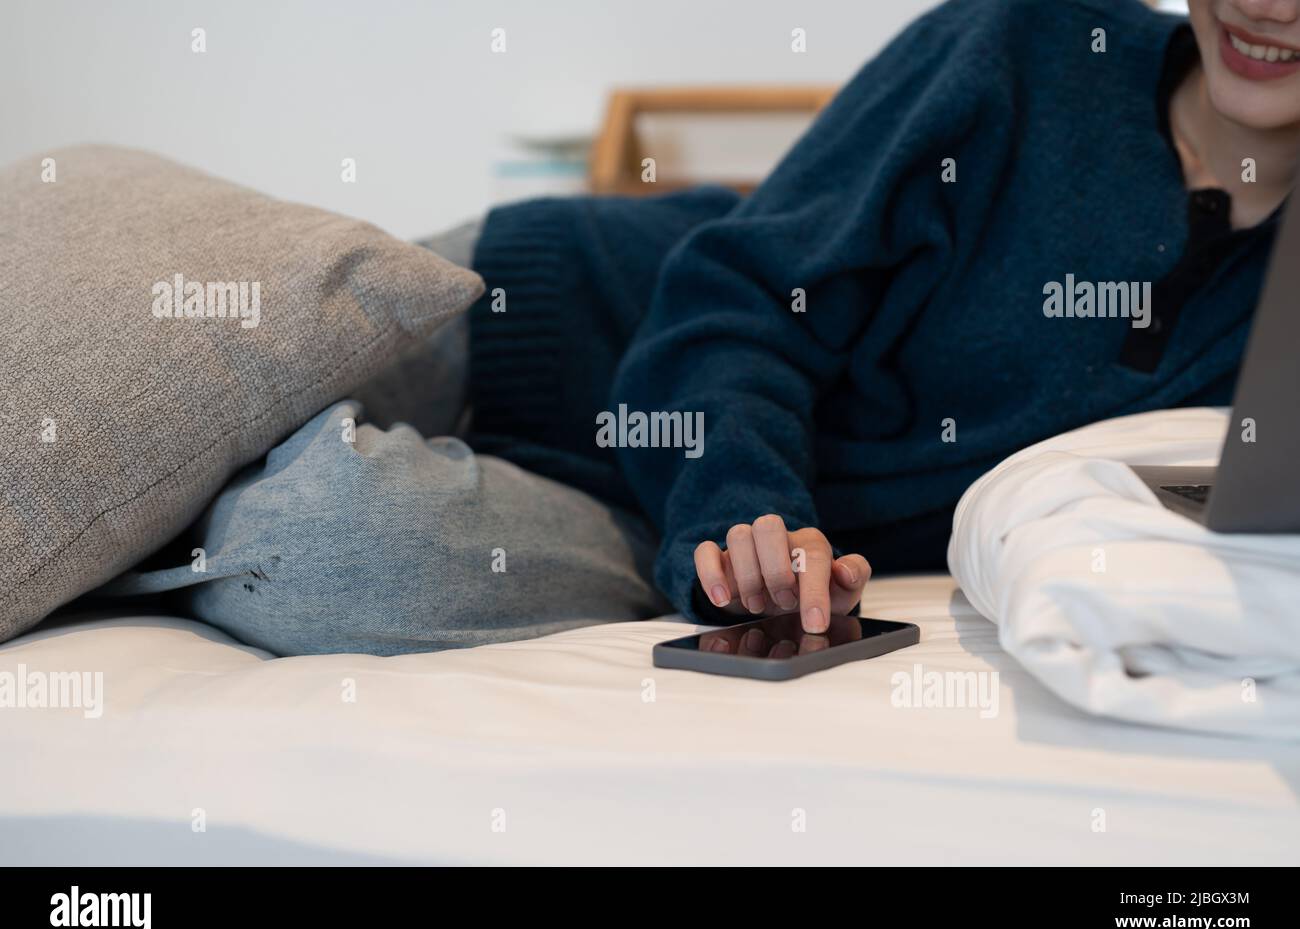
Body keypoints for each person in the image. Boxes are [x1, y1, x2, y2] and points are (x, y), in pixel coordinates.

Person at [106, 0, 1300, 655]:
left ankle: (141, 555)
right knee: (145, 386)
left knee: (322, 552)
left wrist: (743, 554)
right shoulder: (1020, 49)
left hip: (668, 525)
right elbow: (737, 303)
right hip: (554, 312)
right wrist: (739, 498)